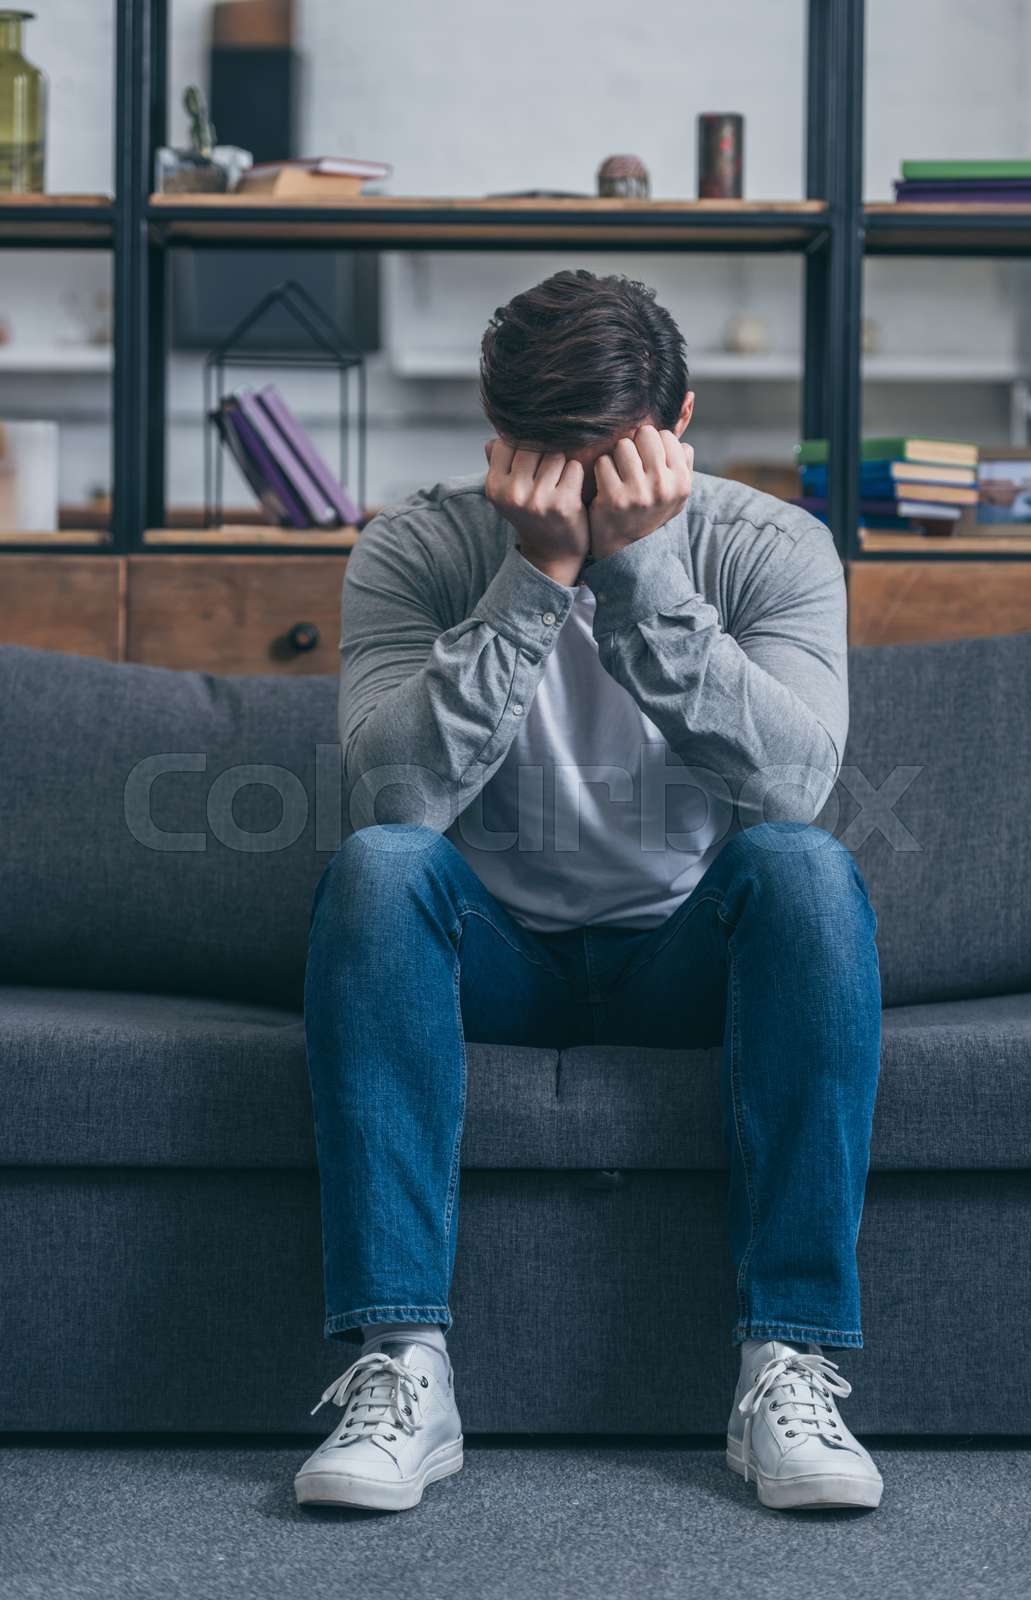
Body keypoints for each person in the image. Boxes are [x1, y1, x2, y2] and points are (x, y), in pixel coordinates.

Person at [295, 269, 883, 1515]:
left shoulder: (770, 545)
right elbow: (393, 801)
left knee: (808, 873)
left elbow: (794, 789)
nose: (572, 488)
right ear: (496, 439)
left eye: (606, 458)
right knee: (378, 869)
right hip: (491, 958)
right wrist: (537, 578)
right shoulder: (416, 546)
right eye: (541, 457)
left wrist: (641, 575)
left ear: (677, 424)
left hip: (686, 951)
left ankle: (791, 1358)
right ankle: (402, 1363)